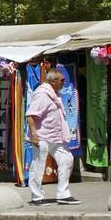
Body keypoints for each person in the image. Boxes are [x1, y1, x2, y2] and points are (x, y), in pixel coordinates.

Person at [26, 67, 79, 205]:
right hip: (42, 136)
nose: (64, 82)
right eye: (62, 80)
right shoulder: (42, 94)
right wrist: (34, 135)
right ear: (54, 81)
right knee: (38, 166)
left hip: (56, 136)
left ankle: (63, 194)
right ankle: (36, 197)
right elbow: (30, 115)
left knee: (67, 159)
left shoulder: (54, 94)